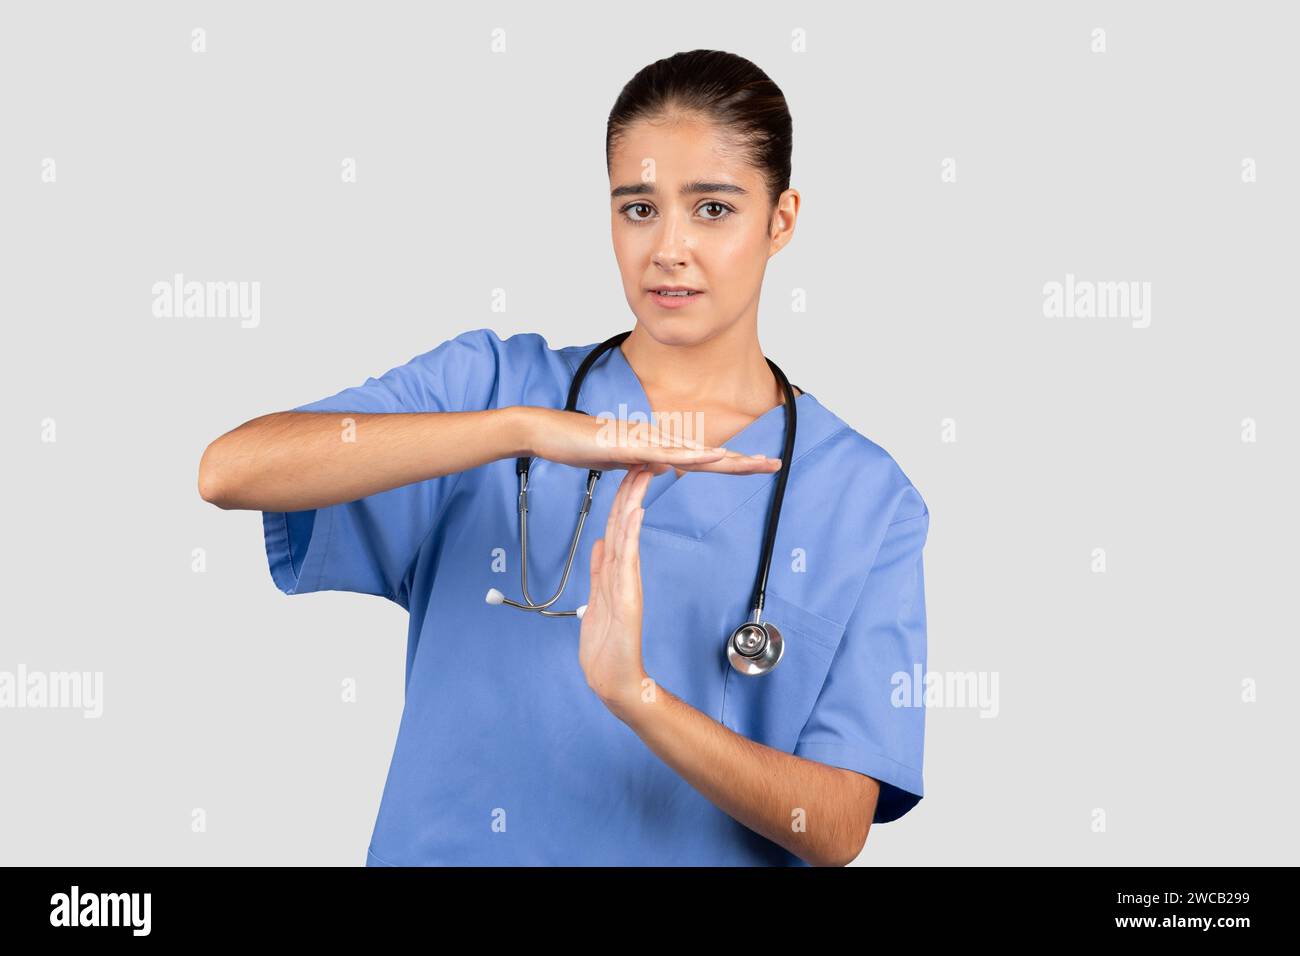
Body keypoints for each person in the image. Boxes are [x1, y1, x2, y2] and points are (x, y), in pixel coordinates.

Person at [198, 49, 930, 867]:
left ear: (781, 220)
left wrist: (637, 696)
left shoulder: (866, 498)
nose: (669, 248)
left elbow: (835, 826)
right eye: (639, 208)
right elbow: (231, 471)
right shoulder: (491, 386)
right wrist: (522, 429)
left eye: (713, 209)